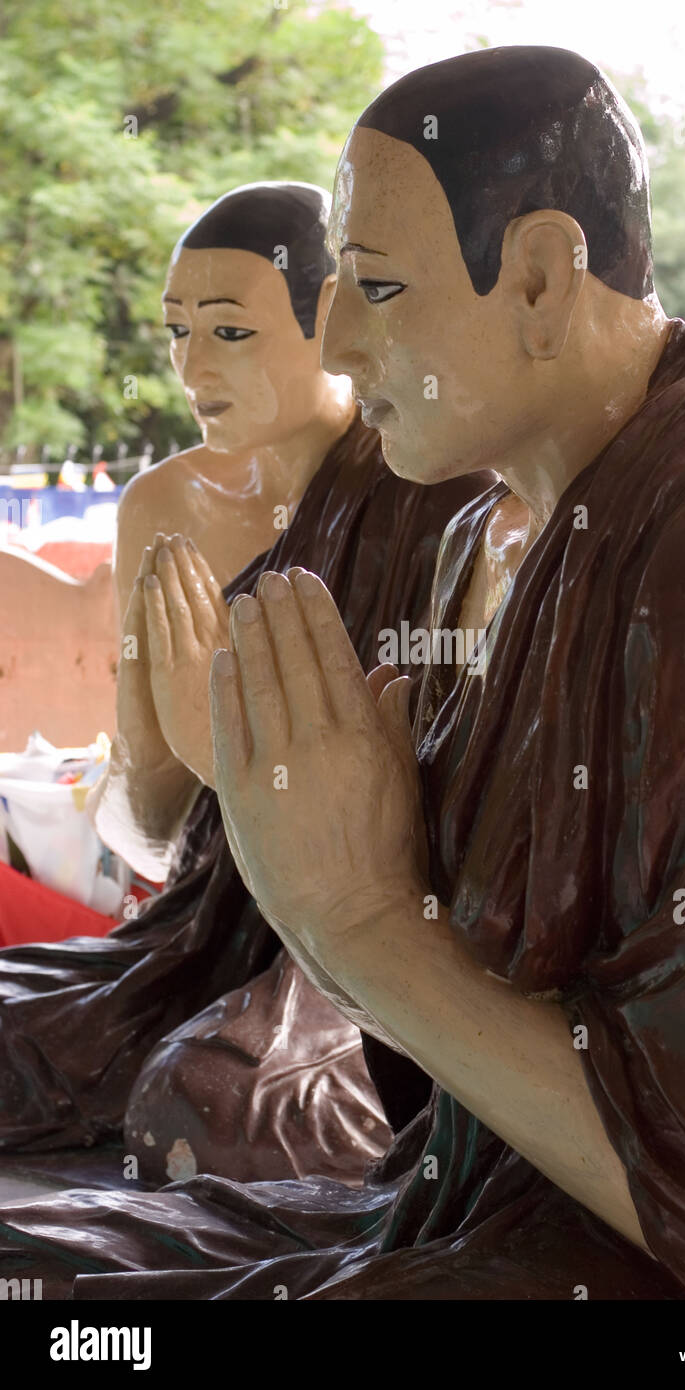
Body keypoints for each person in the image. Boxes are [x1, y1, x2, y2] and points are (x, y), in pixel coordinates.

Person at [2, 43, 685, 1302]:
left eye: (378, 287)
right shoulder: (493, 524)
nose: (338, 344)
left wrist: (354, 919)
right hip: (460, 1189)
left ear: (537, 279)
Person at [0, 181, 484, 1189]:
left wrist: (248, 759)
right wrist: (165, 729)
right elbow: (141, 836)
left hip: (352, 942)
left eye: (230, 329)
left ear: (331, 324)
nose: (191, 366)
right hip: (195, 932)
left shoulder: (438, 496)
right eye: (177, 331)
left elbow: (450, 833)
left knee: (219, 1106)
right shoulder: (162, 506)